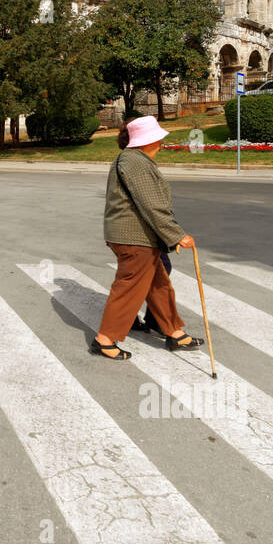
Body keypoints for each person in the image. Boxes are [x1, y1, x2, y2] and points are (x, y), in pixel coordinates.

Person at [90, 115, 203, 360]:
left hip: (140, 237)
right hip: (133, 238)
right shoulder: (134, 162)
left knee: (159, 285)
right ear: (147, 140)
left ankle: (173, 332)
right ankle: (104, 339)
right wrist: (176, 235)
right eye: (158, 138)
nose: (161, 143)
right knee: (129, 287)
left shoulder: (135, 160)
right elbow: (151, 204)